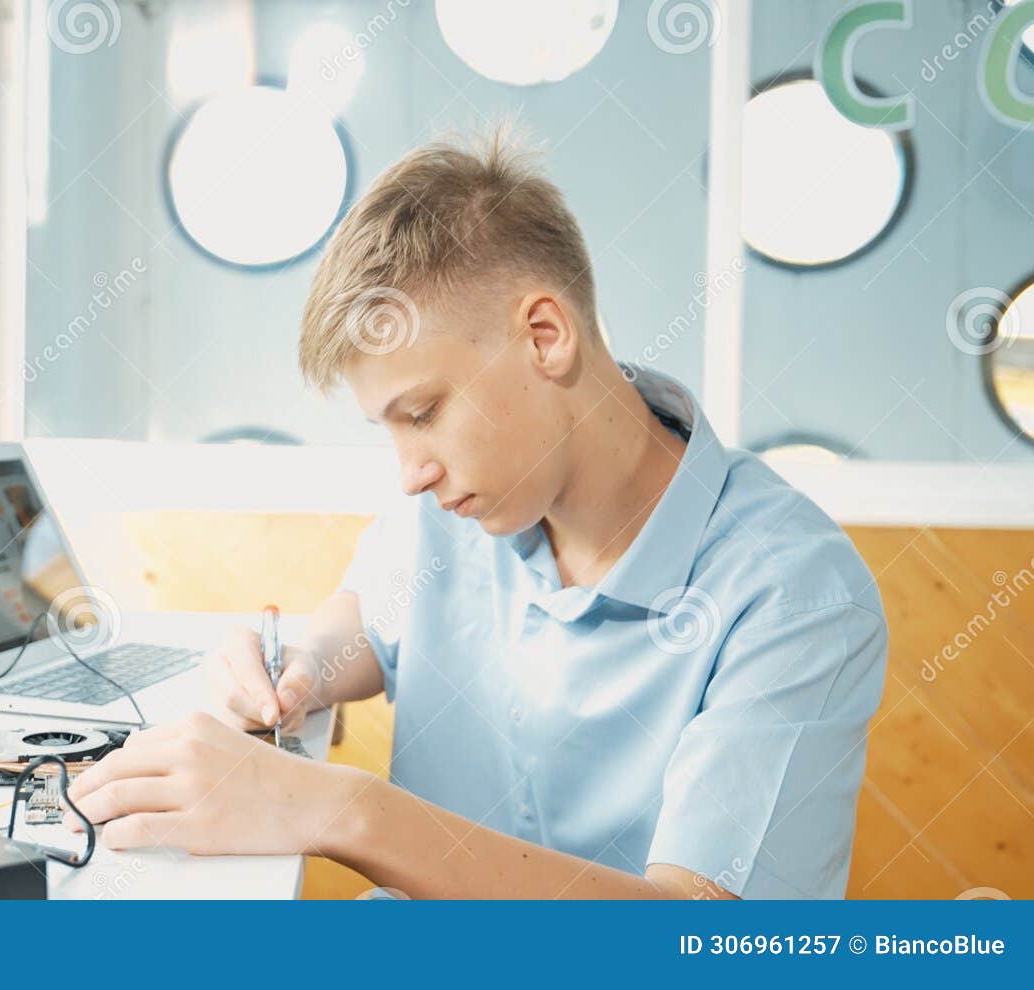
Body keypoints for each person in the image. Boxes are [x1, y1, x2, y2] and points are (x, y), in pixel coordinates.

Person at [64, 133, 888, 899]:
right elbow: (365, 624)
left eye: (422, 413)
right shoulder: (468, 503)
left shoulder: (796, 594)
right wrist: (301, 666)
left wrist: (344, 811)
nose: (411, 474)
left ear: (544, 336)